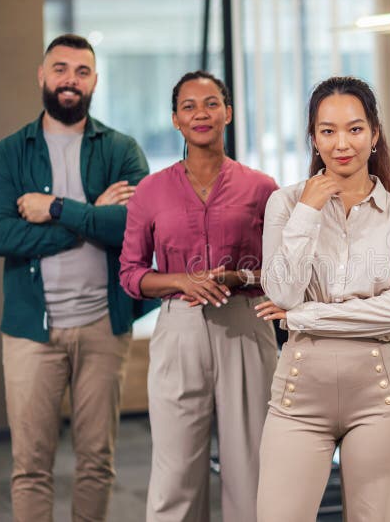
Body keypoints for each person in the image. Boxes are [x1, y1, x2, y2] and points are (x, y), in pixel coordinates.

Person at [0, 34, 150, 521]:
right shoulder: (9, 153)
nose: (69, 79)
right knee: (30, 465)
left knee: (97, 461)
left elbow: (136, 228)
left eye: (81, 70)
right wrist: (86, 221)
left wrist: (56, 210)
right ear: (42, 76)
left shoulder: (120, 149)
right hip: (32, 331)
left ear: (94, 80)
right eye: (60, 69)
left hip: (102, 325)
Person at [254, 76, 390, 522]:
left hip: (379, 391)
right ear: (313, 137)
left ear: (374, 134)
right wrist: (308, 213)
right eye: (327, 131)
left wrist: (304, 315)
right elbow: (280, 290)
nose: (341, 143)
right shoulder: (286, 204)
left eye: (354, 128)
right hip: (298, 392)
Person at [119, 70, 279, 522]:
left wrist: (237, 276)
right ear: (175, 119)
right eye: (188, 106)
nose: (201, 113)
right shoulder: (150, 191)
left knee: (251, 468)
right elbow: (131, 274)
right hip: (179, 329)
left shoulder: (261, 187)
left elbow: (281, 272)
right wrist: (180, 281)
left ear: (227, 112)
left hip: (246, 324)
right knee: (175, 473)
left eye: (211, 103)